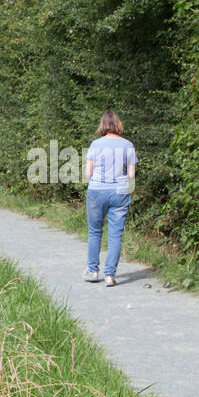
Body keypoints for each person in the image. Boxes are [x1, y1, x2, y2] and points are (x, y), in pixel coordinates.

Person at [83, 110, 137, 287]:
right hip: (120, 191)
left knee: (95, 231)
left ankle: (92, 271)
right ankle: (110, 275)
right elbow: (131, 174)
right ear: (118, 124)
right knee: (115, 234)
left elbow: (88, 173)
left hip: (97, 190)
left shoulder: (95, 144)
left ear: (103, 125)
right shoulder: (128, 145)